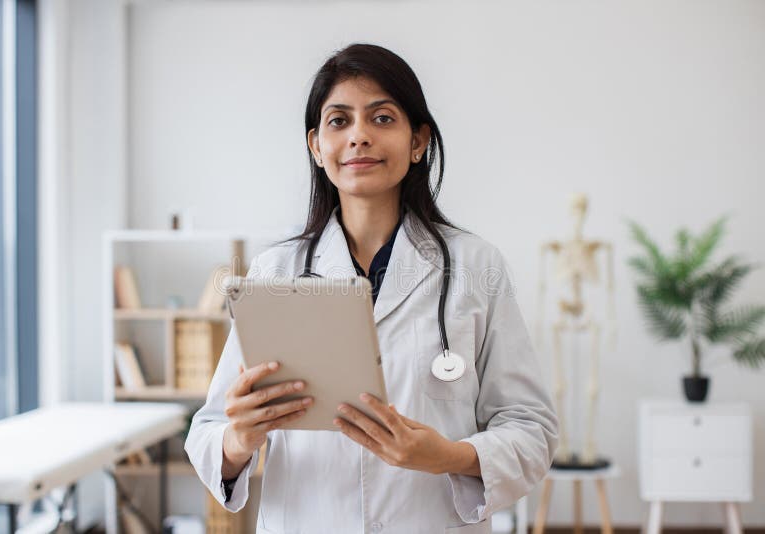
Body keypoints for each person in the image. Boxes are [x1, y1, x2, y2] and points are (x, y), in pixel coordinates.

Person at [185, 43, 558, 534]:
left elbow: (532, 429)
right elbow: (209, 434)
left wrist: (446, 455)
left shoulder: (475, 265)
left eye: (382, 118)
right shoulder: (275, 271)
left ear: (419, 141)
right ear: (317, 147)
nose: (359, 136)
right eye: (339, 121)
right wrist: (239, 439)